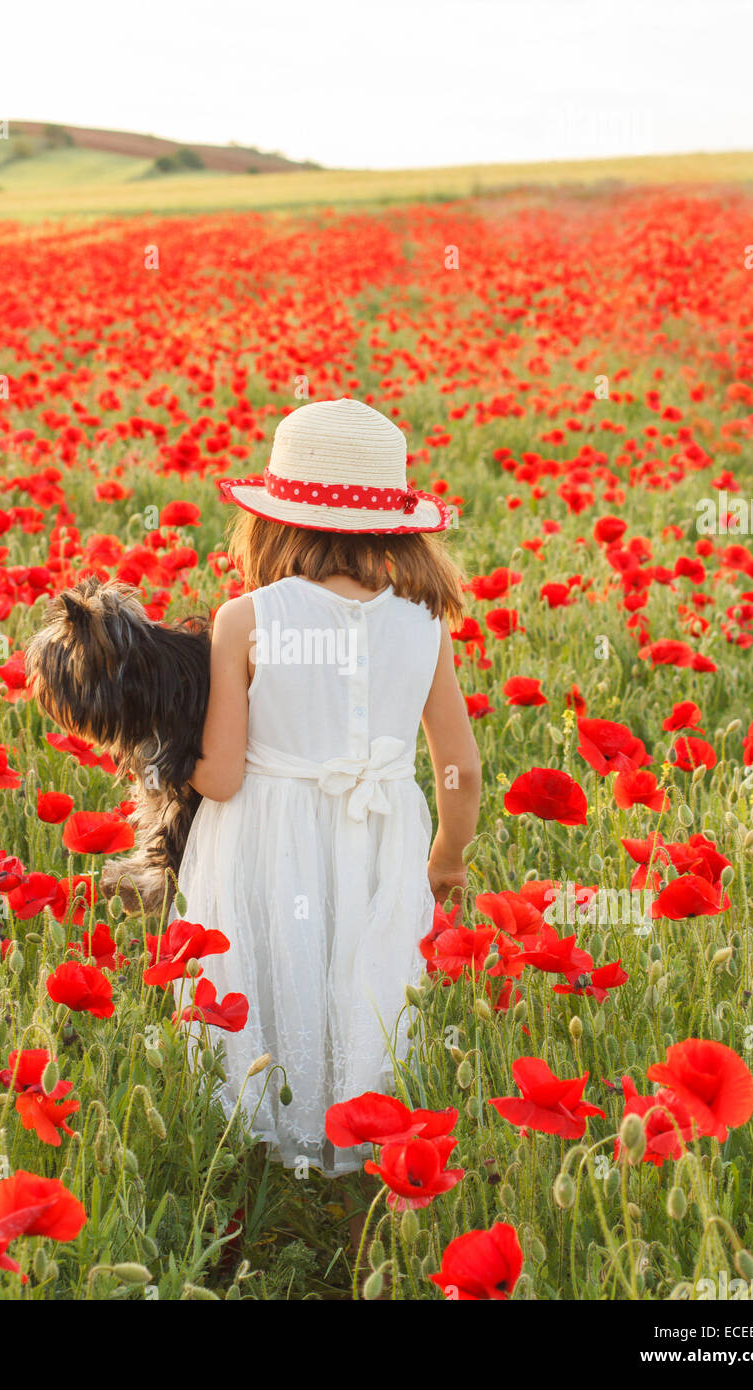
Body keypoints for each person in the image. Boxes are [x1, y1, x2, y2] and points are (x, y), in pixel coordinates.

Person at [180, 396, 482, 1181]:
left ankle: (267, 1144)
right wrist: (447, 856)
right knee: (363, 973)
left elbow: (219, 773)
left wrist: (156, 758)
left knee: (279, 961)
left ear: (273, 520)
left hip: (266, 833)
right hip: (379, 830)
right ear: (392, 526)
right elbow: (463, 767)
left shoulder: (244, 618)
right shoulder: (422, 625)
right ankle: (358, 1141)